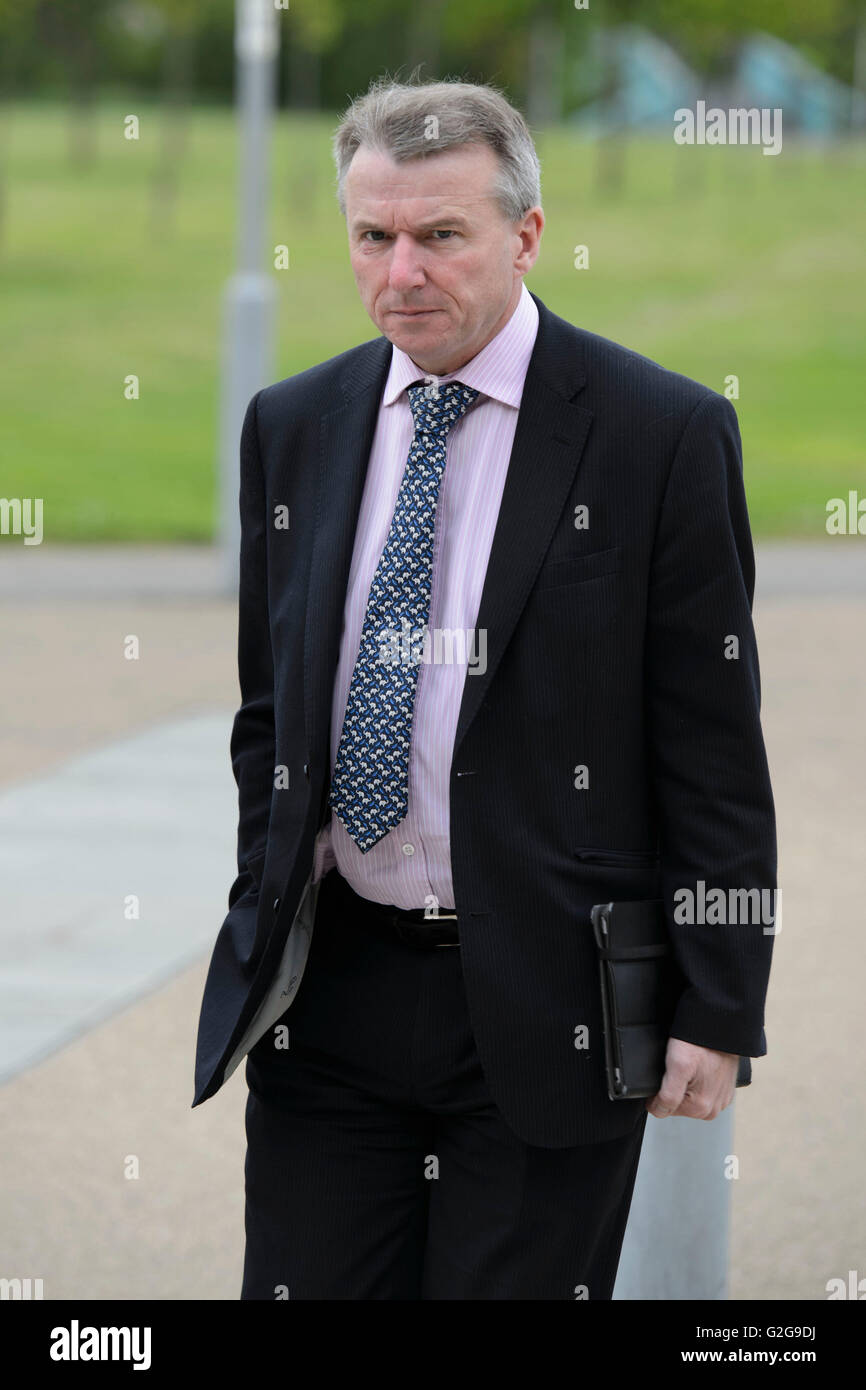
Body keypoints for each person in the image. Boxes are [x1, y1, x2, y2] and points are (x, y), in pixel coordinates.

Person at [193, 77, 777, 1301]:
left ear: (523, 234)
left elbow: (711, 749)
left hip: (545, 999)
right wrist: (266, 892)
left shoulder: (655, 435)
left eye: (439, 235)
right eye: (372, 236)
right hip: (331, 997)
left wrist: (718, 1002)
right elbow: (271, 717)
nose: (399, 271)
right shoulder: (291, 425)